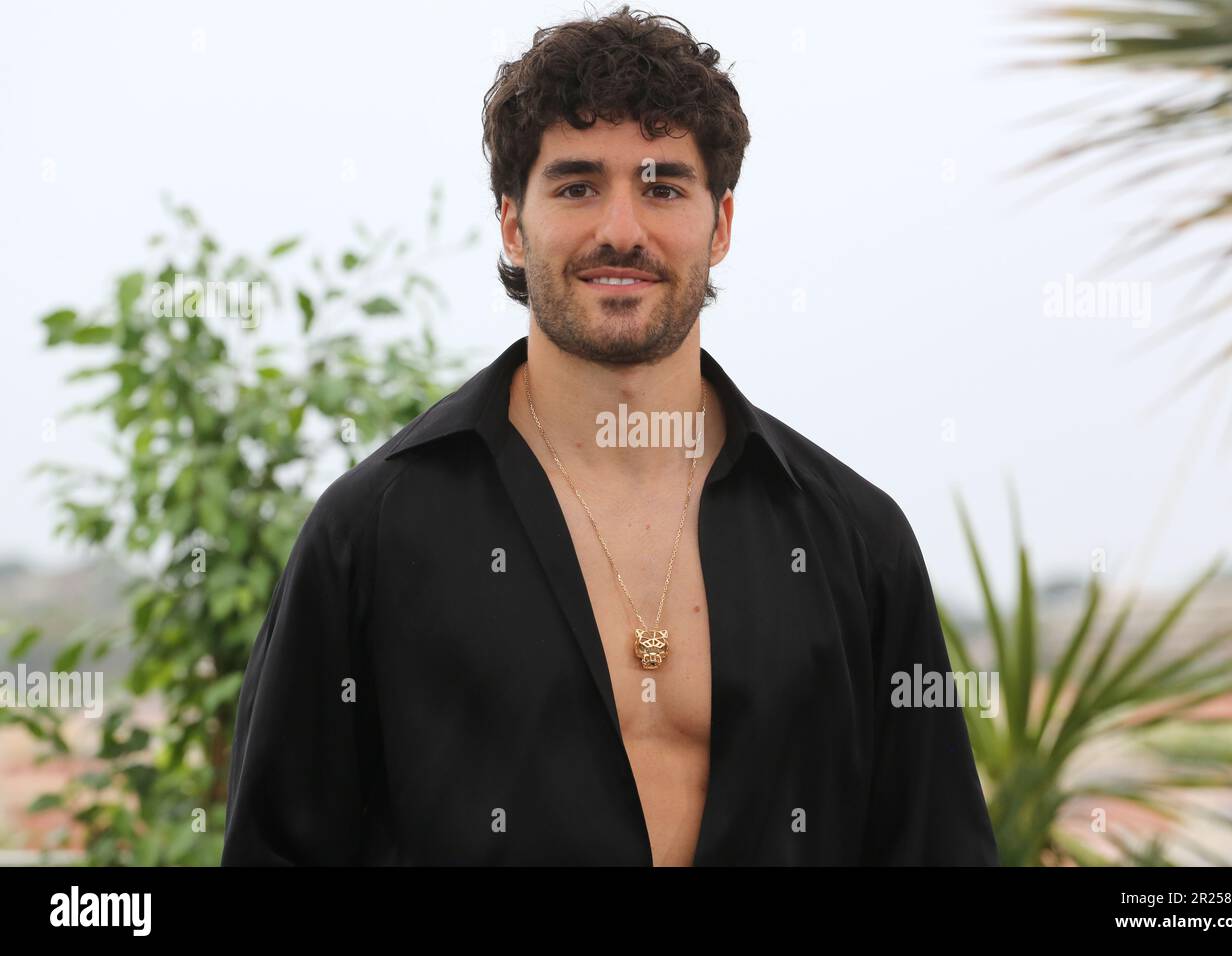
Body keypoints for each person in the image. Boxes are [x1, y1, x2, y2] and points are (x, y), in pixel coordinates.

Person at [221, 5, 998, 866]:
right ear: (514, 224)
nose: (621, 229)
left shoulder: (855, 542)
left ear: (722, 225)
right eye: (578, 185)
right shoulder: (371, 531)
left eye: (663, 187)